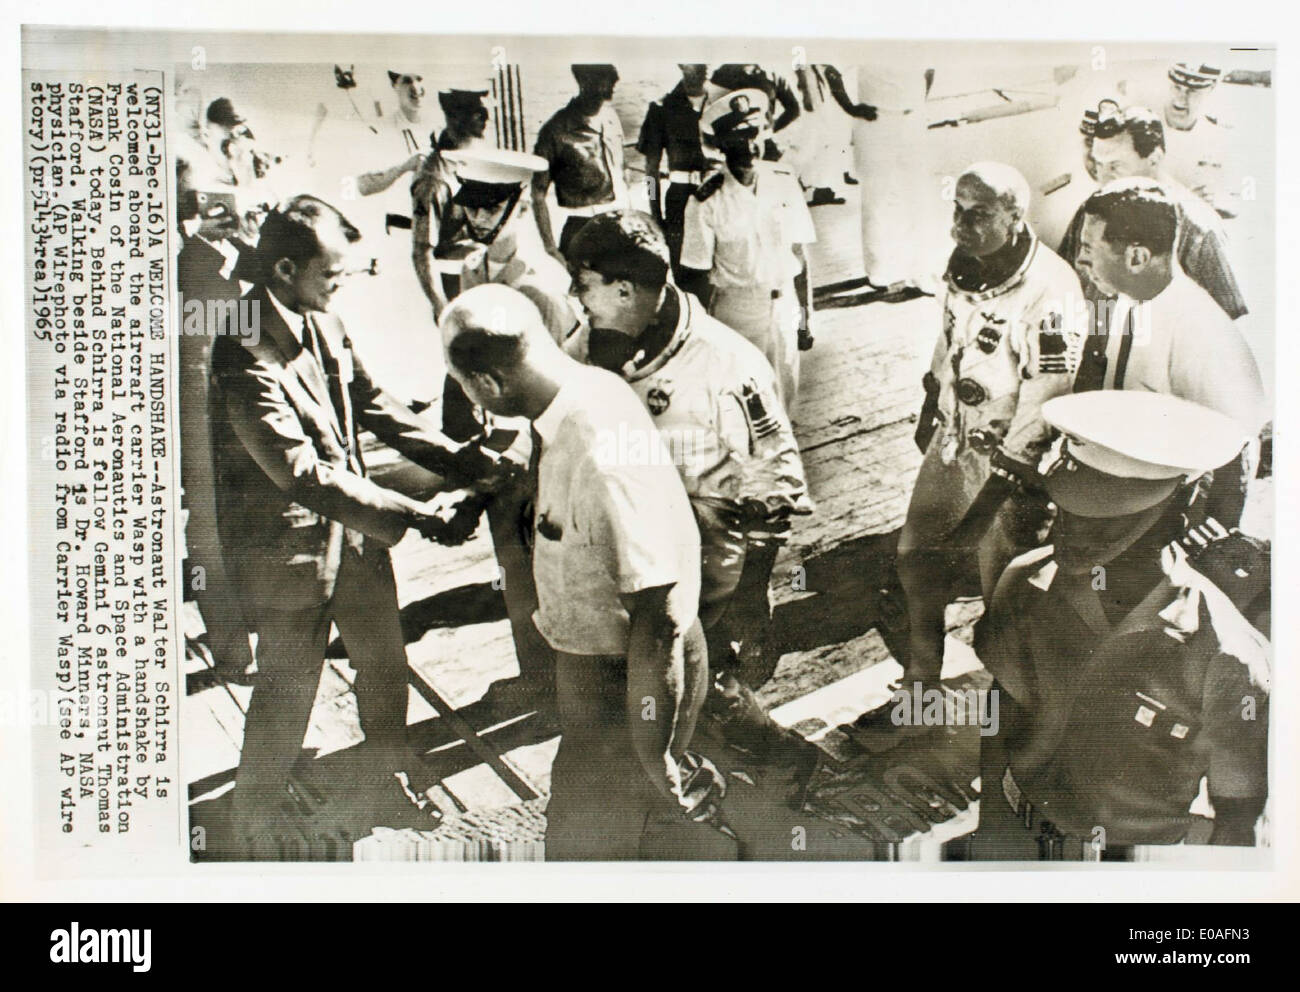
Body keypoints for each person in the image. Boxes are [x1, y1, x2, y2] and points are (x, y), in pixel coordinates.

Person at [209, 195, 518, 854]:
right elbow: (299, 472)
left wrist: (459, 460)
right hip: (289, 551)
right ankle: (252, 822)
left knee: (384, 667)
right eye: (332, 274)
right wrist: (416, 515)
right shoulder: (239, 343)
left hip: (354, 535)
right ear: (287, 269)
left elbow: (374, 406)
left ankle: (389, 774)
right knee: (286, 690)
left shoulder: (323, 319)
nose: (341, 286)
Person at [439, 283, 736, 860]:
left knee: (589, 847)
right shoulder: (581, 389)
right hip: (605, 677)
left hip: (628, 686)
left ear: (488, 385)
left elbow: (661, 616)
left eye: (465, 390)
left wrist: (657, 754)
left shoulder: (600, 453)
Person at [563, 210, 818, 780]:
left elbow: (772, 489)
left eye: (583, 285)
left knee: (705, 688)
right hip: (627, 549)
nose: (575, 298)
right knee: (643, 688)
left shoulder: (727, 366)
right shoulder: (587, 343)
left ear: (624, 289)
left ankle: (791, 769)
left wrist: (750, 599)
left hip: (706, 557)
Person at [969, 390, 1269, 860]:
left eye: (1105, 519)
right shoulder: (1027, 579)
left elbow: (1237, 816)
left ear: (1178, 508)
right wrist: (990, 830)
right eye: (1066, 509)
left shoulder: (1227, 656)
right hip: (1013, 838)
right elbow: (1000, 717)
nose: (1071, 534)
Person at [883, 163, 1084, 720]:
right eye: (957, 211)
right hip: (955, 445)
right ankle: (920, 683)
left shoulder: (1051, 290)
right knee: (915, 560)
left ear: (1016, 216)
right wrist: (932, 403)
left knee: (1007, 597)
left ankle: (1017, 707)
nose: (960, 227)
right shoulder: (964, 267)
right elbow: (949, 341)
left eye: (978, 214)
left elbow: (1046, 403)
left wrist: (992, 499)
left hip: (1014, 468)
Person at [437, 147, 581, 704]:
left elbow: (565, 382)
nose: (474, 219)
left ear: (517, 205)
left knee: (547, 567)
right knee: (514, 568)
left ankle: (559, 690)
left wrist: (506, 453)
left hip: (540, 449)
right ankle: (538, 679)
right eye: (469, 207)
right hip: (499, 447)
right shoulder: (476, 269)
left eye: (488, 207)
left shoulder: (539, 285)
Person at [1072, 178, 1267, 526]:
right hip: (1131, 495)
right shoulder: (1128, 301)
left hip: (1173, 512)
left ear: (1136, 257)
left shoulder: (1197, 330)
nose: (1079, 259)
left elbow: (1232, 450)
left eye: (1088, 248)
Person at [680, 88, 817, 409]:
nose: (749, 146)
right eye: (738, 138)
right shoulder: (705, 201)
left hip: (784, 309)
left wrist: (805, 320)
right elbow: (696, 278)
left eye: (754, 133)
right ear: (722, 145)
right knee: (744, 407)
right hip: (737, 316)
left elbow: (800, 255)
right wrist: (702, 341)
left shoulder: (784, 182)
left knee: (786, 402)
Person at [1057, 105, 1248, 320]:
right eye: (1098, 164)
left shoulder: (1198, 229)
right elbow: (1060, 285)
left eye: (1115, 166)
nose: (1102, 178)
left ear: (1154, 159)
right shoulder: (1090, 212)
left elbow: (1231, 321)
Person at [531, 64, 629, 264]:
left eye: (613, 75)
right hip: (581, 229)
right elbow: (538, 193)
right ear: (584, 81)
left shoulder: (611, 118)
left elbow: (633, 171)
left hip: (620, 223)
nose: (615, 79)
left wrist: (647, 214)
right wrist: (550, 247)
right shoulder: (555, 130)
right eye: (605, 76)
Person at [410, 88, 492, 314]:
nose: (484, 116)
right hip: (454, 283)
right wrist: (439, 305)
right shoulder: (434, 180)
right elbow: (421, 250)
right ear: (454, 118)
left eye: (483, 110)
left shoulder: (473, 157)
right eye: (475, 112)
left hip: (481, 274)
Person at [637, 64, 712, 280]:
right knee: (685, 272)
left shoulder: (721, 103)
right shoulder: (661, 108)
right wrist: (655, 214)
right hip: (681, 199)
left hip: (719, 193)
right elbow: (650, 171)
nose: (702, 67)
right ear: (681, 65)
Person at [354, 70, 431, 198]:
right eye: (407, 81)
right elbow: (363, 186)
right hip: (398, 215)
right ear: (394, 85)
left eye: (419, 79)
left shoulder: (438, 129)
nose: (416, 87)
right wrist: (403, 168)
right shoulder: (382, 129)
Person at [709, 63, 801, 161]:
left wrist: (772, 128)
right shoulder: (724, 72)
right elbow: (712, 105)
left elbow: (794, 109)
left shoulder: (773, 75)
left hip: (762, 140)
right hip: (731, 142)